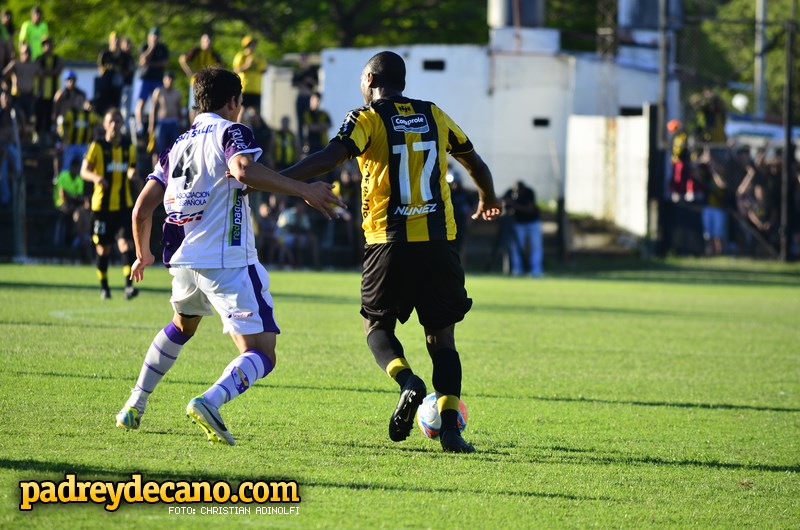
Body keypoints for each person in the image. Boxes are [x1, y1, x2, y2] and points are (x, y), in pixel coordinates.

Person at [281, 51, 503, 453]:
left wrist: (276, 180)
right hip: (439, 243)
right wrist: (488, 197)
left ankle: (408, 382)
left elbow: (329, 158)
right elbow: (475, 161)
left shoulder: (367, 118)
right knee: (443, 339)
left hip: (388, 242)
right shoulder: (434, 114)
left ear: (369, 78)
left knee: (376, 329)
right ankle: (451, 431)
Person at [114, 66, 345, 445]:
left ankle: (134, 405)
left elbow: (142, 208)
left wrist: (143, 254)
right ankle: (210, 401)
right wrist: (303, 189)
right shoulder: (231, 131)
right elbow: (243, 169)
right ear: (233, 102)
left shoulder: (178, 144)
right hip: (227, 260)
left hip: (183, 261)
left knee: (181, 326)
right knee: (262, 352)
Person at [80, 107, 139, 300]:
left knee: (125, 245)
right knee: (103, 248)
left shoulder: (128, 146)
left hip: (123, 205)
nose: (114, 124)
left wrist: (133, 175)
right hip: (102, 207)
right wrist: (96, 177)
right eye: (111, 121)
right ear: (105, 125)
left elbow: (131, 168)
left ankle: (128, 287)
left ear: (122, 124)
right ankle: (104, 287)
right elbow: (84, 171)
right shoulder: (97, 146)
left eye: (118, 121)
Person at [179, 32, 223, 122]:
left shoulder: (214, 54)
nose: (208, 42)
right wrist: (190, 73)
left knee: (205, 106)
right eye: (206, 40)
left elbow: (220, 68)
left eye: (210, 40)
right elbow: (182, 59)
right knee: (193, 106)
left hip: (208, 84)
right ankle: (193, 127)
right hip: (195, 82)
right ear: (201, 41)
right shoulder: (196, 52)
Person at [503, 180, 543, 277]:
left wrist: (514, 204)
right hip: (518, 223)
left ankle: (536, 270)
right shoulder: (509, 193)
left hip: (532, 222)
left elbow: (529, 209)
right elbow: (503, 204)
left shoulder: (529, 192)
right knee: (516, 246)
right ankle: (517, 269)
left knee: (536, 245)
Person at [135, 27, 169, 133]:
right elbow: (142, 60)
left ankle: (153, 124)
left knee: (156, 103)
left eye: (157, 36)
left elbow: (164, 63)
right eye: (153, 36)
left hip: (157, 79)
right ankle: (139, 125)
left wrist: (150, 64)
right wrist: (151, 48)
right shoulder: (144, 47)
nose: (155, 38)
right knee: (142, 101)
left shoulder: (163, 49)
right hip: (145, 79)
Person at [147, 71, 182, 160]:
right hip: (161, 123)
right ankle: (156, 170)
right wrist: (151, 125)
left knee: (174, 149)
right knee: (159, 149)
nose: (169, 81)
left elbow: (179, 110)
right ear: (164, 80)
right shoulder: (159, 91)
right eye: (168, 79)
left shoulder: (177, 93)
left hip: (173, 123)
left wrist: (181, 123)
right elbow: (153, 110)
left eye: (171, 79)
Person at [34, 36, 61, 144]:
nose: (48, 47)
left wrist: (46, 72)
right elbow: (39, 72)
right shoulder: (39, 58)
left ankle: (47, 135)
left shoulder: (57, 59)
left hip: (52, 92)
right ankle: (37, 134)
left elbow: (57, 71)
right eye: (45, 44)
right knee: (39, 114)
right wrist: (49, 72)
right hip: (41, 92)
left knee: (51, 114)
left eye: (49, 44)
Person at [232, 35, 266, 117]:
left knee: (256, 111)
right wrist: (247, 66)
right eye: (251, 44)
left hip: (256, 88)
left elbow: (264, 69)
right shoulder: (241, 56)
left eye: (254, 44)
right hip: (245, 87)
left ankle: (254, 129)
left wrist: (256, 66)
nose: (253, 46)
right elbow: (236, 70)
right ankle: (238, 126)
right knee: (242, 109)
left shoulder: (258, 56)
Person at [0, 89, 24, 206]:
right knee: (3, 171)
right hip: (1, 147)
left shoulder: (15, 113)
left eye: (8, 97)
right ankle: (6, 198)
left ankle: (19, 196)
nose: (7, 100)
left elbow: (22, 130)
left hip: (13, 146)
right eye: (4, 98)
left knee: (18, 169)